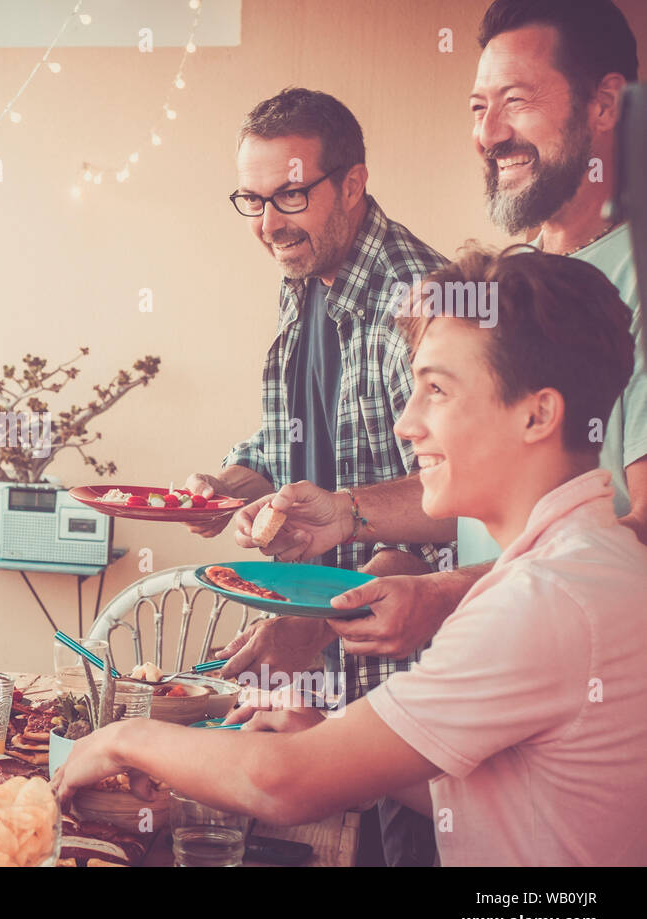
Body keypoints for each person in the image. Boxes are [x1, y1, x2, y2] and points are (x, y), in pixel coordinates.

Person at [56, 246, 647, 866]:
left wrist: (125, 740)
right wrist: (335, 743)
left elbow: (281, 781)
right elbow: (528, 797)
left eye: (436, 390)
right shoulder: (593, 562)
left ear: (538, 414)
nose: (406, 424)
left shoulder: (538, 600)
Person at [232, 0, 645, 663]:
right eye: (479, 108)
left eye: (516, 100)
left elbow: (637, 536)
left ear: (603, 105)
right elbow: (466, 487)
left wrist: (444, 589)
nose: (490, 133)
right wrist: (345, 511)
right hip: (489, 674)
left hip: (583, 681)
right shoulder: (516, 282)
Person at [181, 88, 450, 863]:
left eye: (290, 195)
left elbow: (456, 506)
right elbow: (290, 435)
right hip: (329, 677)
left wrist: (311, 621)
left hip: (414, 678)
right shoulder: (306, 274)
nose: (269, 225)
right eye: (254, 201)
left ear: (353, 185)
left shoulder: (422, 302)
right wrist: (229, 484)